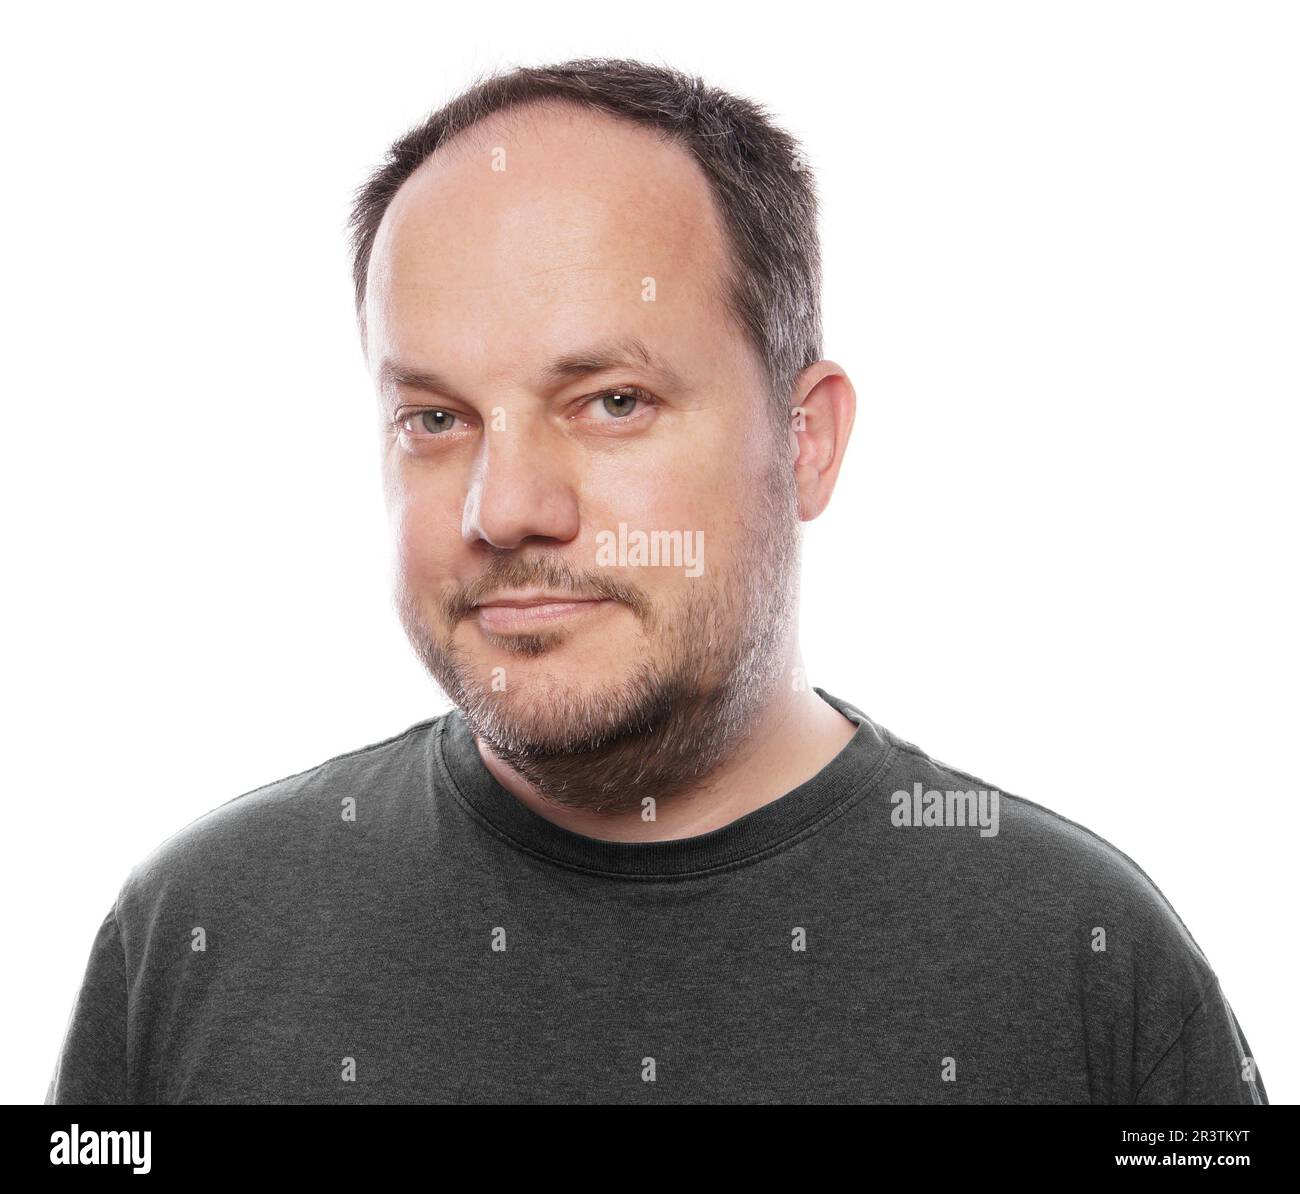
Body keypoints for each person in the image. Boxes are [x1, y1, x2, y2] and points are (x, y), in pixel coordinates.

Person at [46, 57, 1266, 1105]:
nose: (505, 508)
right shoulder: (193, 936)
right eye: (434, 417)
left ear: (807, 441)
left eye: (612, 402)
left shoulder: (1085, 968)